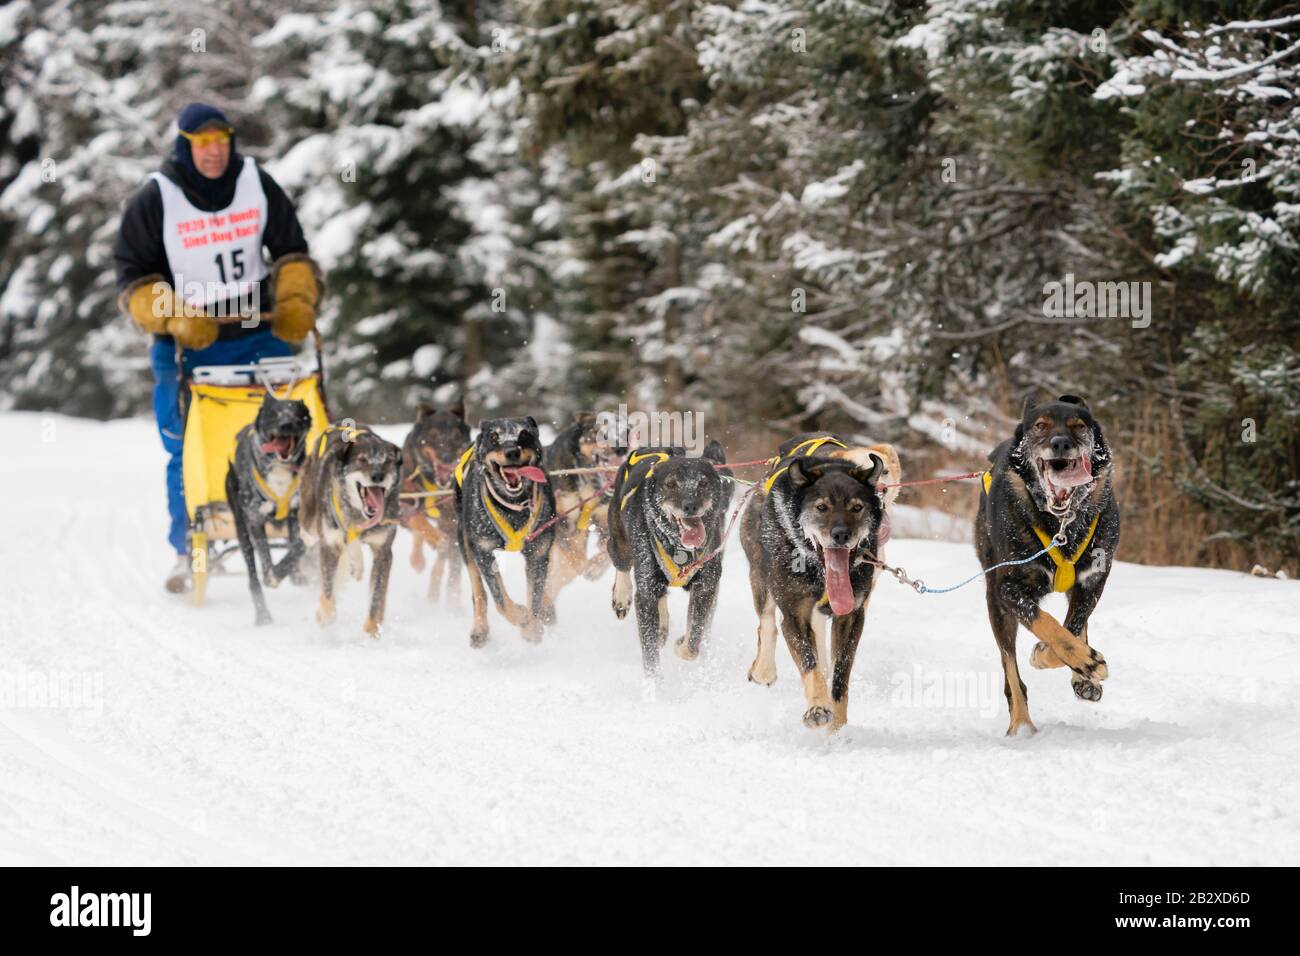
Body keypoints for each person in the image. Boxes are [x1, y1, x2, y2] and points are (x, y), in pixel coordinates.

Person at [114, 103, 323, 593]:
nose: (213, 151)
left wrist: (296, 296)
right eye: (202, 142)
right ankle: (189, 548)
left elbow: (291, 248)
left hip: (258, 329)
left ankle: (302, 530)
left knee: (294, 429)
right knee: (184, 443)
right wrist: (173, 313)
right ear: (185, 144)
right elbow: (133, 280)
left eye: (221, 139)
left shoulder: (255, 181)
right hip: (188, 345)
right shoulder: (156, 197)